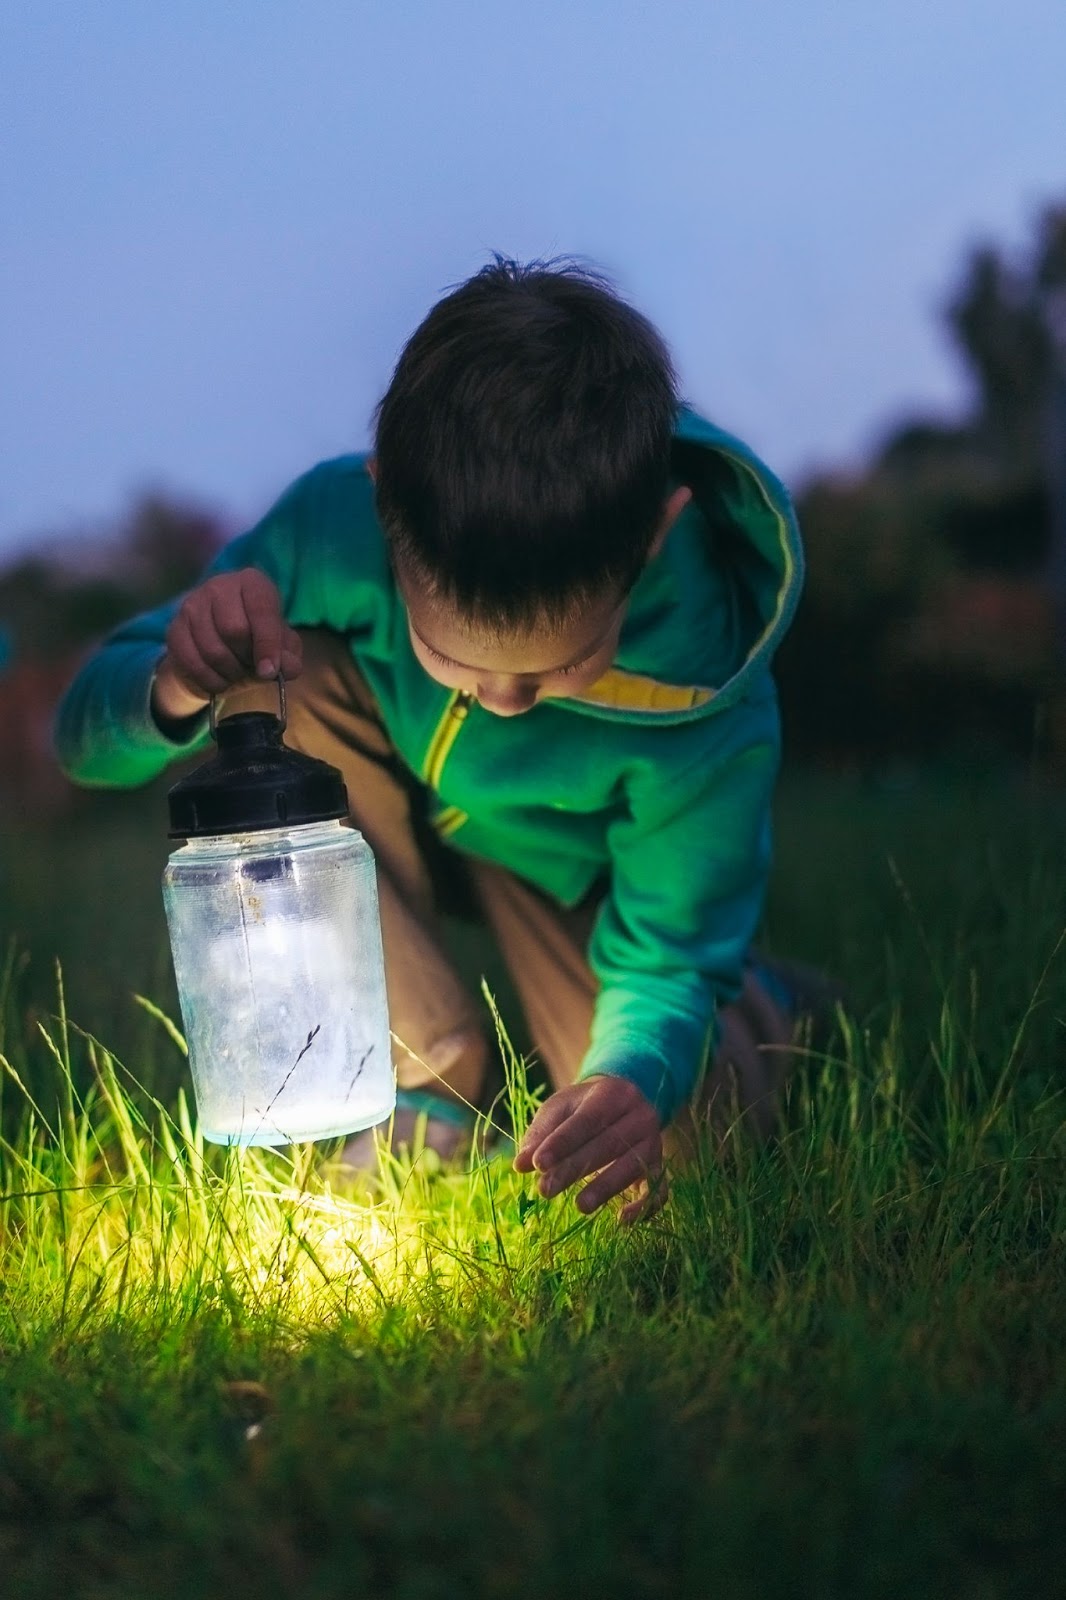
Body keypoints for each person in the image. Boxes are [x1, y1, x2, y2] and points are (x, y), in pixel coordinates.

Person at [55, 257, 809, 1224]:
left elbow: (666, 955)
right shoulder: (329, 534)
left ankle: (769, 1000)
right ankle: (423, 1083)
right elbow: (82, 742)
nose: (504, 704)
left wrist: (634, 1080)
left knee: (666, 1158)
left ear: (655, 534)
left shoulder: (707, 684)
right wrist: (174, 683)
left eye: (555, 669)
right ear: (384, 509)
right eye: (453, 656)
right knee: (278, 661)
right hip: (379, 810)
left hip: (580, 880)